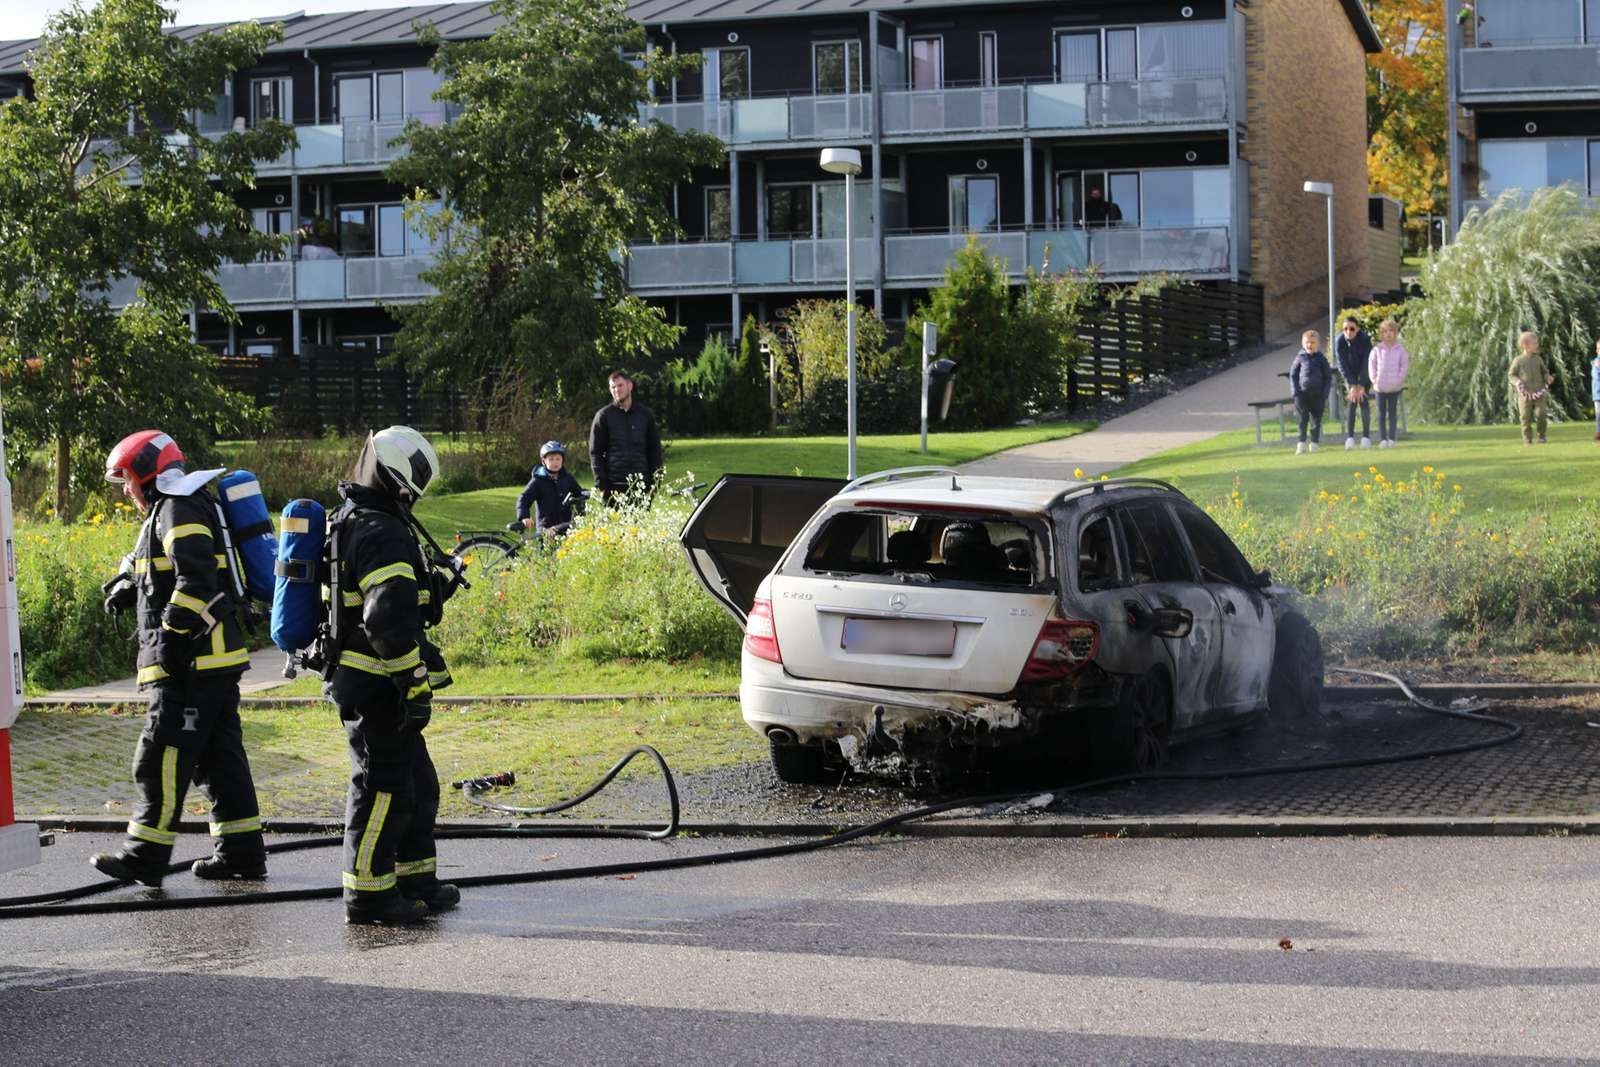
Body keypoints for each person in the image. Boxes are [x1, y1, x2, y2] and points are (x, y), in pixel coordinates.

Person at [90, 431, 265, 887]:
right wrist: (132, 584)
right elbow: (175, 570)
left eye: (127, 478)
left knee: (160, 754)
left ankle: (144, 854)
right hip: (213, 661)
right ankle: (242, 852)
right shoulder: (178, 505)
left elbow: (196, 581)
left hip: (191, 664)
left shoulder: (178, 507)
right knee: (220, 760)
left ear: (146, 473)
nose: (126, 490)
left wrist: (169, 638)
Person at [327, 426, 462, 925]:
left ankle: (414, 879)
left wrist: (432, 592)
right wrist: (414, 685)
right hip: (376, 684)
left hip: (378, 680)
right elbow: (383, 621)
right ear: (395, 480)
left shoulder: (368, 520)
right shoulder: (380, 530)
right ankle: (369, 894)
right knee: (382, 786)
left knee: (417, 783)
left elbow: (395, 601)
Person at [589, 370, 662, 503]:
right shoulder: (603, 416)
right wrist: (601, 485)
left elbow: (654, 449)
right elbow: (596, 453)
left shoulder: (645, 415)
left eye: (620, 385)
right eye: (613, 387)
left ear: (630, 386)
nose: (616, 390)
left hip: (641, 484)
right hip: (613, 486)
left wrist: (656, 482)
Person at [515, 440, 587, 536]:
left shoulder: (567, 478)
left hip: (566, 526)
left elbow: (578, 492)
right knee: (547, 550)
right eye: (551, 459)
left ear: (562, 460)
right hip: (546, 528)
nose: (555, 462)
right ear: (543, 461)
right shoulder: (538, 481)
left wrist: (589, 493)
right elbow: (524, 498)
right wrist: (524, 516)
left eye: (558, 459)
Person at [1367, 318, 1410, 448]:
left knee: (1392, 413)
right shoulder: (1377, 350)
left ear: (1395, 333)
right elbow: (1372, 365)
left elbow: (1403, 367)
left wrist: (1398, 380)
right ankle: (1383, 439)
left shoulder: (1401, 350)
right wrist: (1374, 379)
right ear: (1381, 334)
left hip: (1394, 387)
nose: (1388, 334)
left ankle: (1392, 439)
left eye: (1391, 331)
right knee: (1381, 414)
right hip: (1380, 387)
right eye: (1385, 331)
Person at [1290, 329, 1333, 455]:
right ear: (1303, 343)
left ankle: (1314, 442)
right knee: (1302, 419)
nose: (1310, 345)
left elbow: (1328, 377)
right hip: (1302, 394)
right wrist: (1295, 392)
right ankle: (1301, 443)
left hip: (1318, 395)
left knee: (1316, 420)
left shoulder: (1322, 359)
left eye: (1313, 342)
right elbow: (1293, 375)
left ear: (1318, 344)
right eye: (1307, 342)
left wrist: (1324, 394)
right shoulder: (1300, 358)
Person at [1509, 330, 1555, 446]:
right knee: (1525, 417)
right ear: (1525, 345)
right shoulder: (1518, 360)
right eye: (1534, 344)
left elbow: (1544, 372)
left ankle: (1542, 437)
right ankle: (1527, 439)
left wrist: (1548, 377)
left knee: (1542, 414)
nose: (1537, 346)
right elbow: (1511, 375)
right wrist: (1517, 382)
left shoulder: (1538, 359)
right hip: (1524, 395)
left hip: (1539, 393)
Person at [1334, 317, 1374, 450]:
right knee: (1352, 402)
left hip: (1364, 373)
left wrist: (1362, 383)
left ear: (1357, 329)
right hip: (1350, 375)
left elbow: (1367, 362)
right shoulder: (1339, 341)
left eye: (1352, 328)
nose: (1348, 332)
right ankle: (1350, 438)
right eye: (1345, 329)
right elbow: (1342, 364)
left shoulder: (1365, 340)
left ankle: (1366, 438)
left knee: (1363, 401)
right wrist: (1352, 384)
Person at [1591, 340, 1600, 442]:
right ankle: (1598, 432)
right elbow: (1596, 376)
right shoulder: (1596, 363)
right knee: (1599, 415)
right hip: (1598, 394)